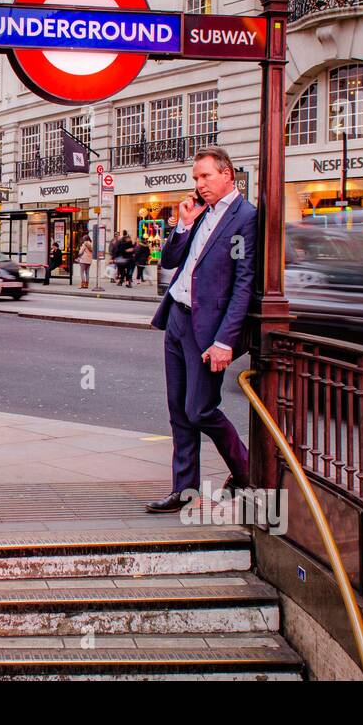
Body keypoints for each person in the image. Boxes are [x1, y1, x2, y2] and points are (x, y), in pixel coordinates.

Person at [146, 147, 256, 513]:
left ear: (227, 174)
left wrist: (225, 340)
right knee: (178, 410)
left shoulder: (246, 218)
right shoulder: (200, 213)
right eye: (196, 178)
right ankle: (184, 489)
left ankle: (247, 471)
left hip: (206, 327)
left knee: (201, 409)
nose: (199, 183)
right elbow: (170, 260)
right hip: (177, 317)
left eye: (205, 176)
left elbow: (243, 285)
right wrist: (184, 223)